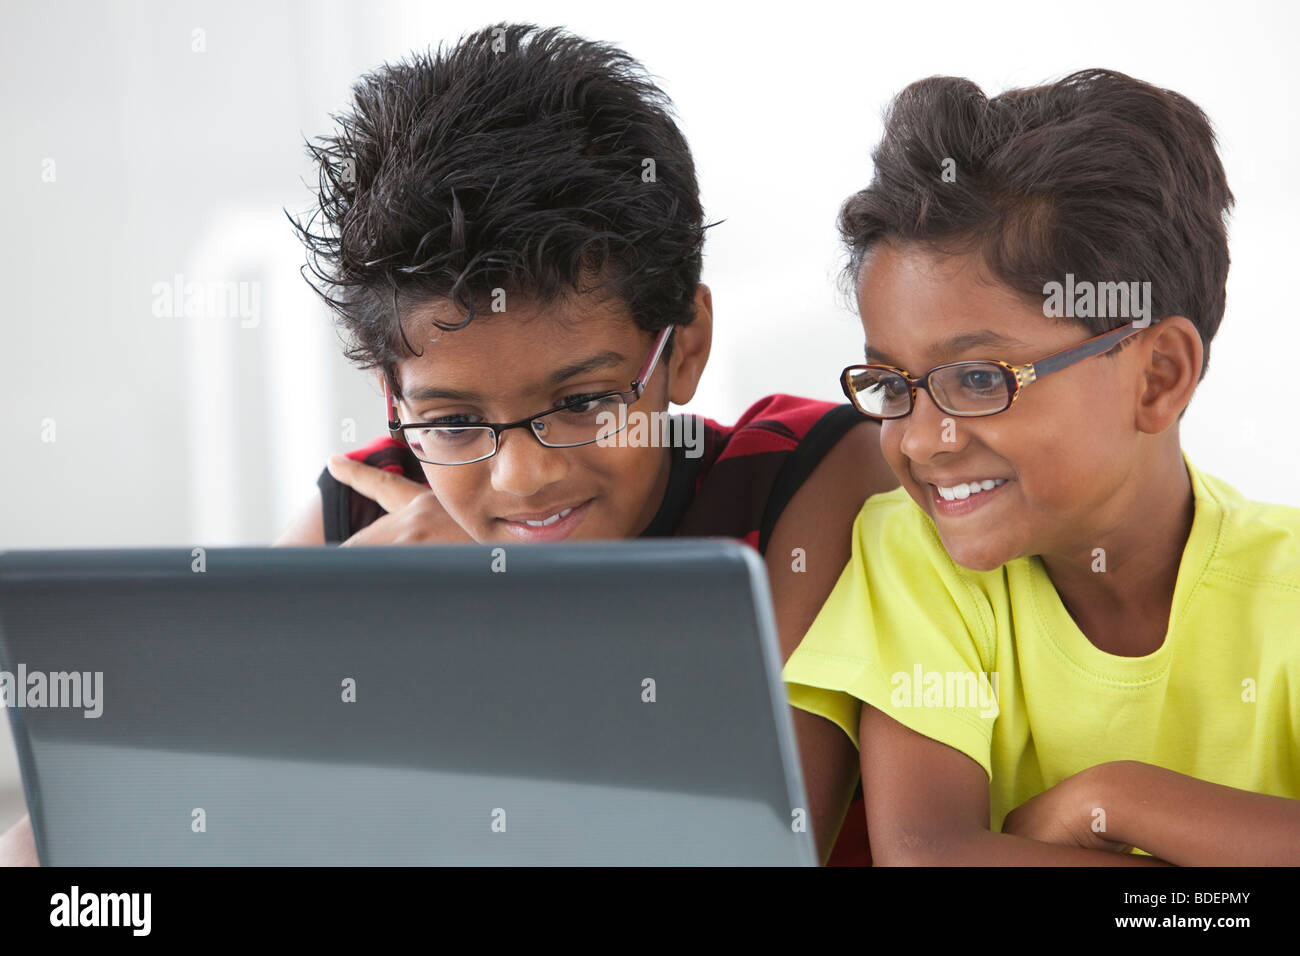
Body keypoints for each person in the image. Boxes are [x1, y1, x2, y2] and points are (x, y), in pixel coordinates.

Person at [0, 23, 894, 868]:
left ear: (685, 344)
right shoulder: (370, 511)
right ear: (392, 396)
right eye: (454, 422)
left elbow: (759, 840)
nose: (522, 474)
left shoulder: (809, 477)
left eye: (582, 401)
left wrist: (485, 629)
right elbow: (58, 845)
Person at [783, 69, 1300, 864]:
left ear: (1157, 377)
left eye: (981, 379)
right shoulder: (914, 557)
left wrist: (1113, 799)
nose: (921, 442)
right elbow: (929, 857)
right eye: (892, 384)